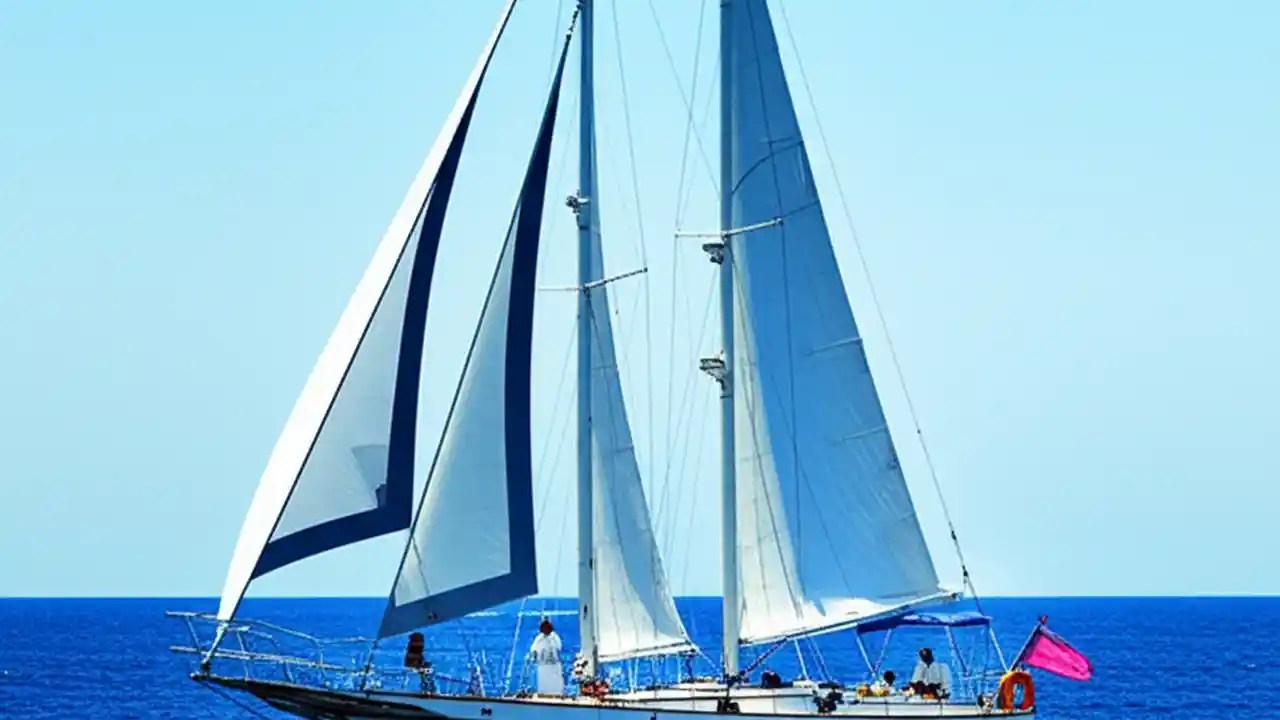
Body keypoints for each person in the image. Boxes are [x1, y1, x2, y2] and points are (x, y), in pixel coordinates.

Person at [529, 617, 565, 696]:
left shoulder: (555, 637)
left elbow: (558, 648)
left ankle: (557, 696)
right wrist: (534, 655)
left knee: (555, 685)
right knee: (544, 685)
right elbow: (533, 648)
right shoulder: (539, 638)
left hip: (554, 666)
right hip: (543, 666)